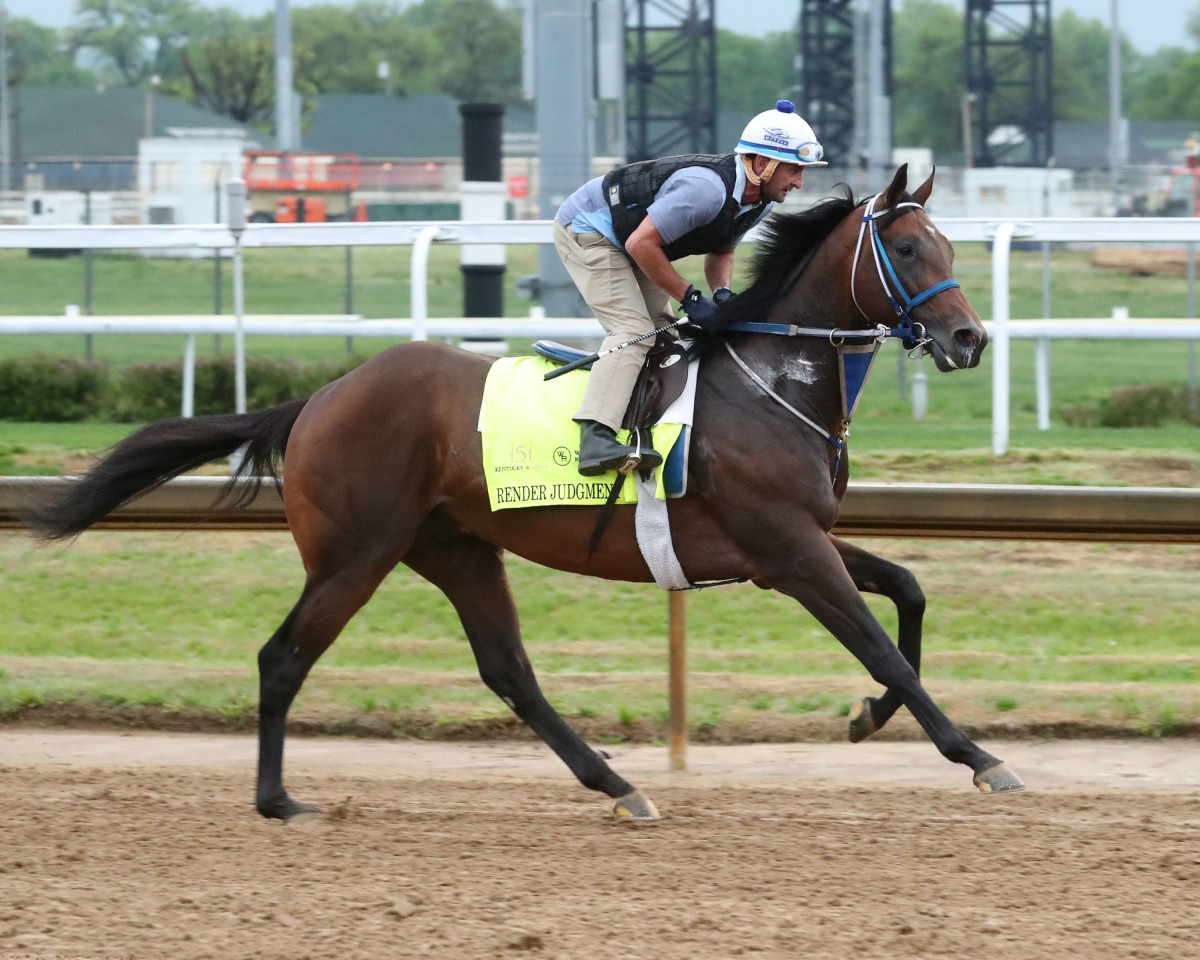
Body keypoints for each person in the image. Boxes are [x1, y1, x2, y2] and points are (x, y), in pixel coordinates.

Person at [554, 100, 826, 476]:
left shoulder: (758, 201)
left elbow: (722, 250)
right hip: (590, 230)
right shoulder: (705, 190)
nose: (798, 182)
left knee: (666, 333)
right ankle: (595, 438)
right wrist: (689, 296)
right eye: (794, 170)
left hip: (634, 239)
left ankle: (645, 430)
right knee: (634, 331)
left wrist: (722, 296)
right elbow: (639, 245)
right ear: (761, 165)